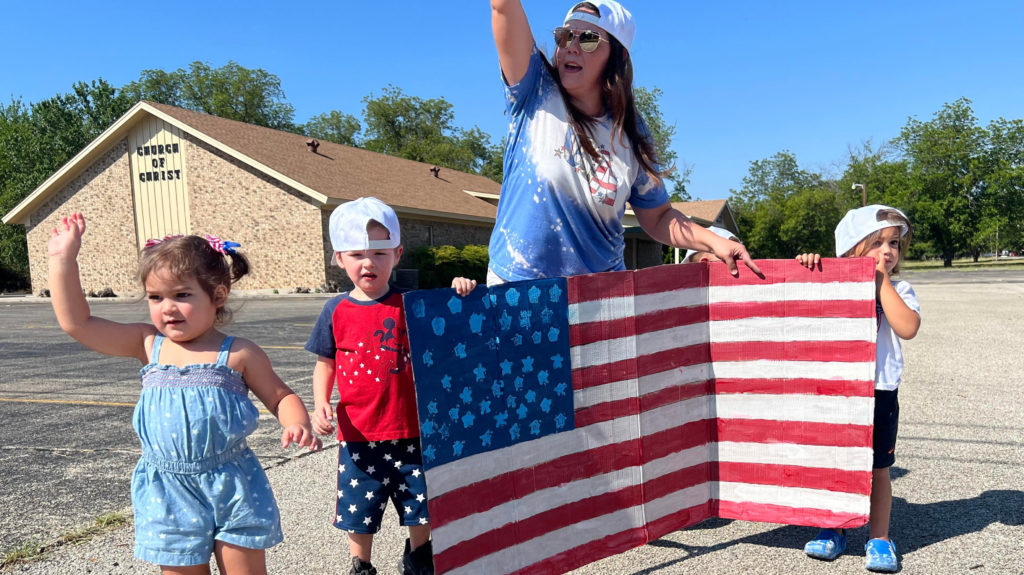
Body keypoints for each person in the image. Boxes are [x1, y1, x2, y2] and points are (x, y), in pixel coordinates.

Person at [46, 213, 321, 575]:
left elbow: (280, 396)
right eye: (155, 297)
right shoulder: (148, 344)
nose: (167, 307)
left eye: (181, 295)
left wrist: (296, 422)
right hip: (167, 488)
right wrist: (63, 261)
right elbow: (78, 323)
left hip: (232, 483)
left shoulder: (238, 353)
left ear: (217, 295)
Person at [487, 0, 760, 285]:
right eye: (564, 36)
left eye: (589, 39)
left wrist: (715, 241)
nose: (572, 46)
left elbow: (659, 218)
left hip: (601, 296)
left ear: (616, 57)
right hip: (517, 288)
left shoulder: (630, 131)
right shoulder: (534, 89)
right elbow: (503, 6)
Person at [305, 197, 435, 575]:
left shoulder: (412, 305)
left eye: (379, 253)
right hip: (359, 434)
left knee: (420, 503)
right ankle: (360, 564)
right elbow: (325, 363)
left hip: (412, 430)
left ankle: (420, 557)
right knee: (359, 507)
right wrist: (320, 402)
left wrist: (462, 290)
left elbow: (453, 326)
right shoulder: (335, 310)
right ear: (339, 258)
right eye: (357, 254)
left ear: (397, 254)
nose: (368, 263)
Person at [796, 205, 921, 572]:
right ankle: (833, 527)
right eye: (877, 243)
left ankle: (879, 537)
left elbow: (908, 327)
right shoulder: (832, 285)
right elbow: (800, 304)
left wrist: (880, 282)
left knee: (878, 469)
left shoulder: (899, 288)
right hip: (837, 390)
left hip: (880, 391)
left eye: (894, 243)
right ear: (850, 249)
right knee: (835, 463)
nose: (887, 251)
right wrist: (809, 266)